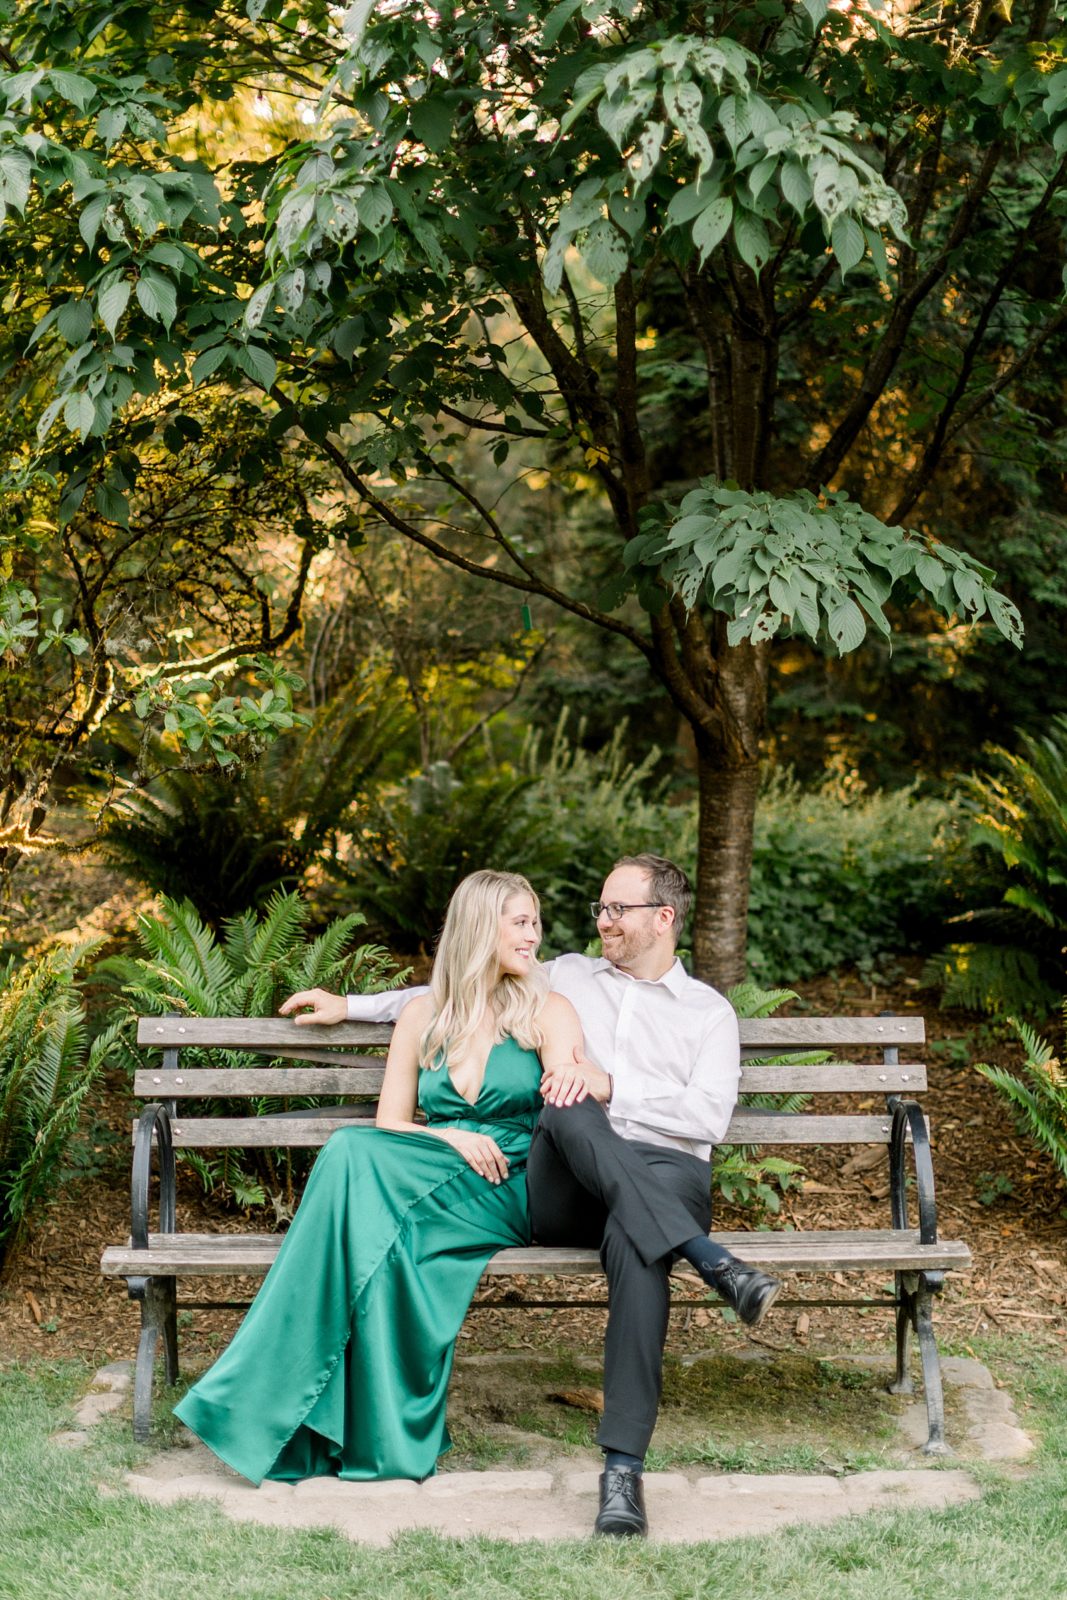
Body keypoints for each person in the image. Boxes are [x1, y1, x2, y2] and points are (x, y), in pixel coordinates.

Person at [287, 855, 780, 1538]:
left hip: (664, 1176)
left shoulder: (708, 1013)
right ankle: (710, 1259)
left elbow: (708, 1119)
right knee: (566, 1098)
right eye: (600, 910)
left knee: (634, 1232)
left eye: (617, 911)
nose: (600, 921)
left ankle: (620, 1473)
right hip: (568, 1180)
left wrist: (613, 1087)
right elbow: (463, 982)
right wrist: (351, 1007)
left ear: (662, 919)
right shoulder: (570, 976)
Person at [174, 869, 583, 1484]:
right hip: (435, 1166)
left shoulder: (549, 1011)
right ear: (480, 929)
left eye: (535, 923)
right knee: (372, 1214)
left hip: (512, 1180)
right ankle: (363, 1437)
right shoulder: (425, 1015)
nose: (534, 936)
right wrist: (450, 1133)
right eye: (521, 923)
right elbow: (392, 1121)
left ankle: (249, 1402)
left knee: (348, 1154)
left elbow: (568, 1115)